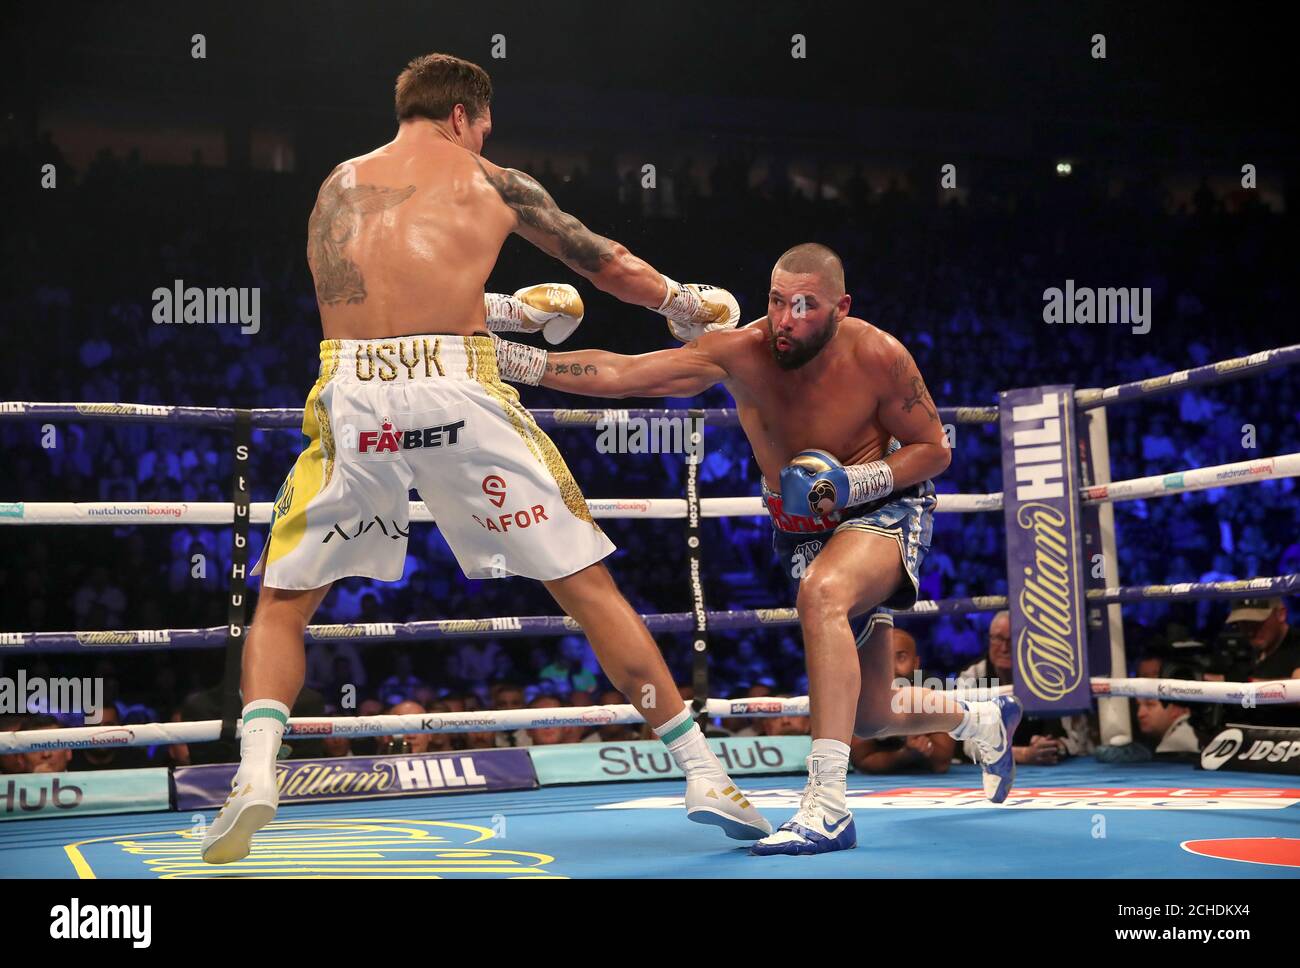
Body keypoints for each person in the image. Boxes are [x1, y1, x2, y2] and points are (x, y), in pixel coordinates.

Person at [203, 52, 768, 864]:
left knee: (286, 600)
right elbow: (601, 260)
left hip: (351, 391)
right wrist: (681, 303)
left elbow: (361, 296)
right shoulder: (495, 182)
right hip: (458, 388)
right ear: (466, 115)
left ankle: (255, 774)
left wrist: (507, 314)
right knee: (586, 588)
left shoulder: (336, 185)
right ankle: (704, 772)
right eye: (484, 128)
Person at [497, 242, 1021, 855]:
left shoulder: (878, 354)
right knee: (872, 714)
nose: (786, 319)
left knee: (821, 594)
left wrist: (855, 481)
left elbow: (934, 447)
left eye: (805, 306)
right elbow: (623, 373)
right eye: (777, 301)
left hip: (883, 509)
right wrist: (508, 359)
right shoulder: (740, 352)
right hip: (802, 529)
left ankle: (827, 806)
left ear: (840, 307)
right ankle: (979, 718)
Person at [956, 611, 1092, 765]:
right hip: (987, 771)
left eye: (1011, 639)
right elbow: (969, 745)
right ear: (989, 640)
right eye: (998, 639)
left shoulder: (1052, 675)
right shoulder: (972, 676)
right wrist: (1023, 754)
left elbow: (1078, 738)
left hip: (1051, 770)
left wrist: (1054, 747)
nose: (1004, 648)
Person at [851, 629, 955, 774]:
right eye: (883, 658)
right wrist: (904, 755)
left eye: (901, 657)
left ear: (916, 663)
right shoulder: (864, 693)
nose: (892, 668)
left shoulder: (930, 691)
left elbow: (942, 761)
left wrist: (924, 747)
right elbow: (861, 760)